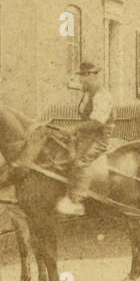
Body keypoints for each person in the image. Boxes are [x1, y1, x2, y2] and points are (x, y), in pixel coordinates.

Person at [56, 60, 113, 216]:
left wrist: (73, 128)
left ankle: (77, 201)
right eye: (80, 77)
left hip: (99, 137)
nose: (80, 81)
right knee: (62, 153)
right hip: (85, 135)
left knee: (80, 161)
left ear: (91, 76)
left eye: (83, 77)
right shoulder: (88, 93)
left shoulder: (103, 96)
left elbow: (97, 122)